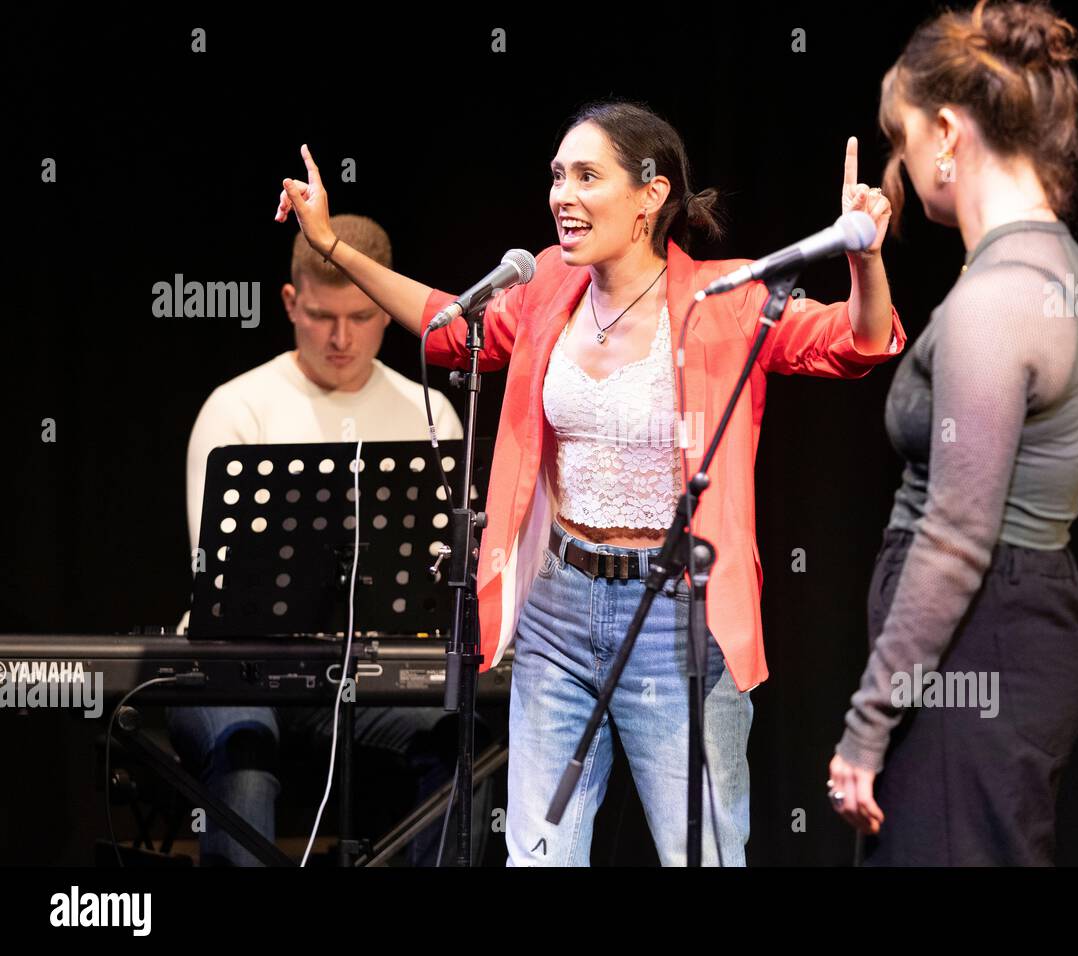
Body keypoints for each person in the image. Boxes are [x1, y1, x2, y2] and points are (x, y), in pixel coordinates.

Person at [275, 100, 906, 865]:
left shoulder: (727, 297)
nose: (562, 196)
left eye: (586, 176)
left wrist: (863, 258)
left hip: (678, 623)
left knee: (702, 855)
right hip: (559, 612)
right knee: (538, 856)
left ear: (651, 194)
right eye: (557, 177)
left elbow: (859, 343)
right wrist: (333, 245)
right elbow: (452, 326)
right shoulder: (546, 285)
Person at [827, 0, 1078, 865]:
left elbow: (954, 537)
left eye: (902, 135)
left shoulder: (1001, 297)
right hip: (999, 643)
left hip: (969, 657)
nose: (900, 163)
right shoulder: (1047, 269)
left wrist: (867, 725)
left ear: (947, 132)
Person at [170, 214, 488, 866]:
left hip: (360, 677)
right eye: (321, 316)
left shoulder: (428, 412)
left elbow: (451, 567)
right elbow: (219, 576)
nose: (342, 337)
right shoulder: (239, 406)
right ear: (291, 302)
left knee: (467, 745)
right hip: (237, 673)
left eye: (364, 317)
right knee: (246, 757)